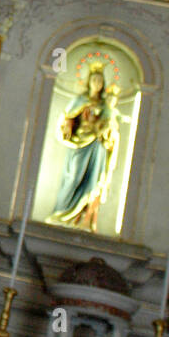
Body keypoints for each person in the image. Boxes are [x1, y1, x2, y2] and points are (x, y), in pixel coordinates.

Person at [49, 63, 119, 231]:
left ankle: (83, 220)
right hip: (79, 143)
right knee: (73, 176)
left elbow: (111, 128)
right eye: (94, 79)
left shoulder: (106, 105)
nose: (97, 83)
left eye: (100, 80)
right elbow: (67, 117)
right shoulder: (79, 100)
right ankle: (62, 213)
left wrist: (106, 129)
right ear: (88, 81)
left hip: (97, 146)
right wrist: (67, 124)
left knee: (93, 181)